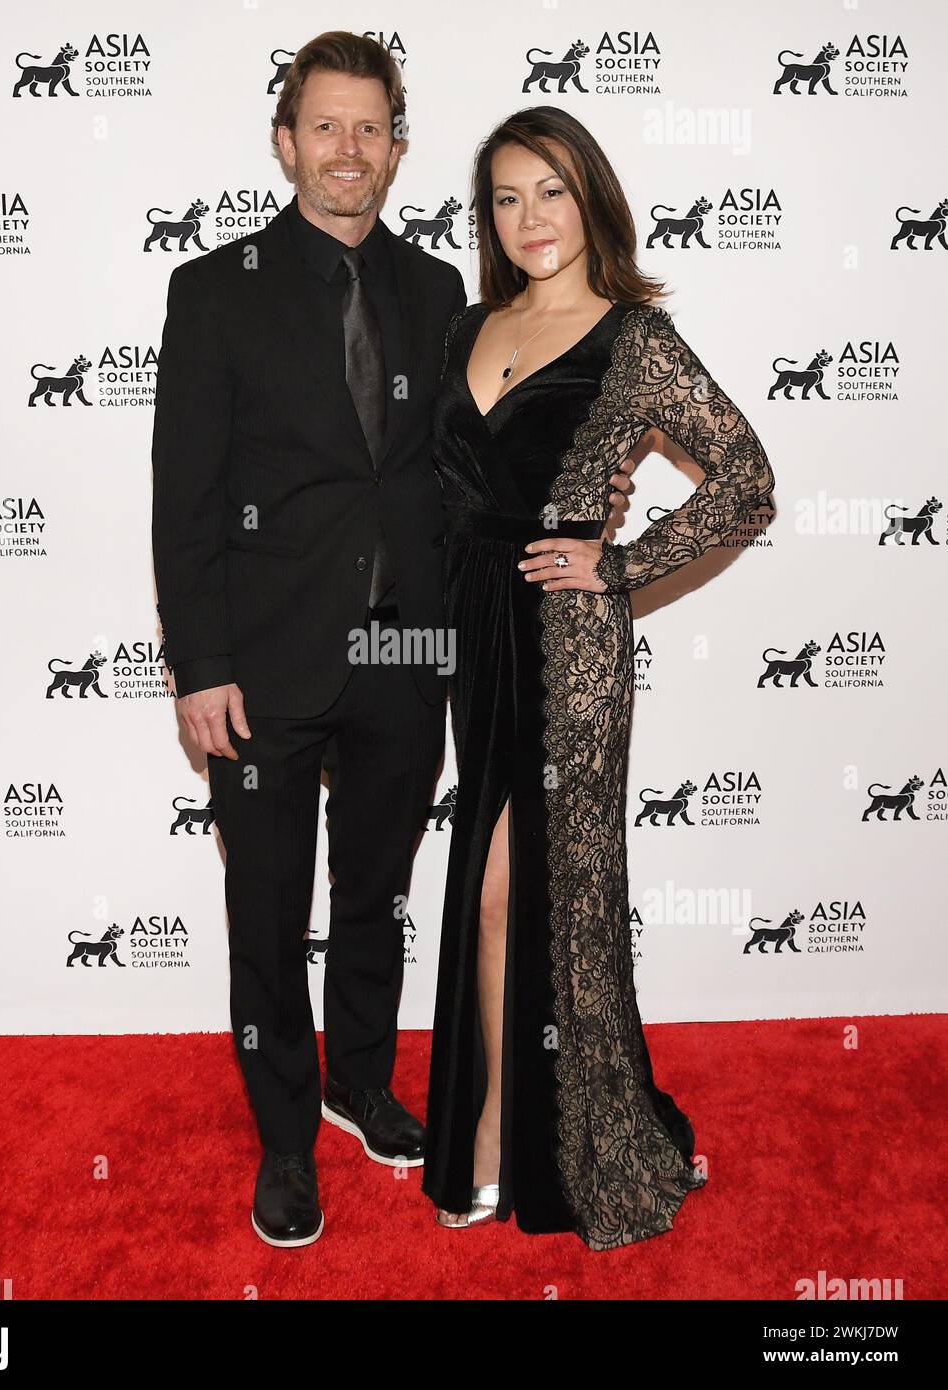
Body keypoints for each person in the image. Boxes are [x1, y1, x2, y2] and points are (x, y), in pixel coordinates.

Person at [150, 36, 635, 1249]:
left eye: (370, 129)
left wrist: (589, 508)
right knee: (266, 908)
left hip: (407, 656)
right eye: (325, 127)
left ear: (396, 147)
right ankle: (281, 1143)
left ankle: (357, 1081)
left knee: (372, 892)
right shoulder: (215, 289)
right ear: (285, 141)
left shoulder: (437, 298)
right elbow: (183, 499)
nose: (348, 150)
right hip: (259, 666)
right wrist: (198, 664)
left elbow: (493, 453)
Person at [422, 105, 775, 1249]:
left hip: (567, 647)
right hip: (477, 638)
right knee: (496, 888)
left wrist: (619, 561)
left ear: (592, 200)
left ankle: (508, 1135)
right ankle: (502, 1121)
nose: (528, 219)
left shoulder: (633, 337)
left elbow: (744, 479)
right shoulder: (470, 324)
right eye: (505, 198)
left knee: (531, 898)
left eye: (551, 192)